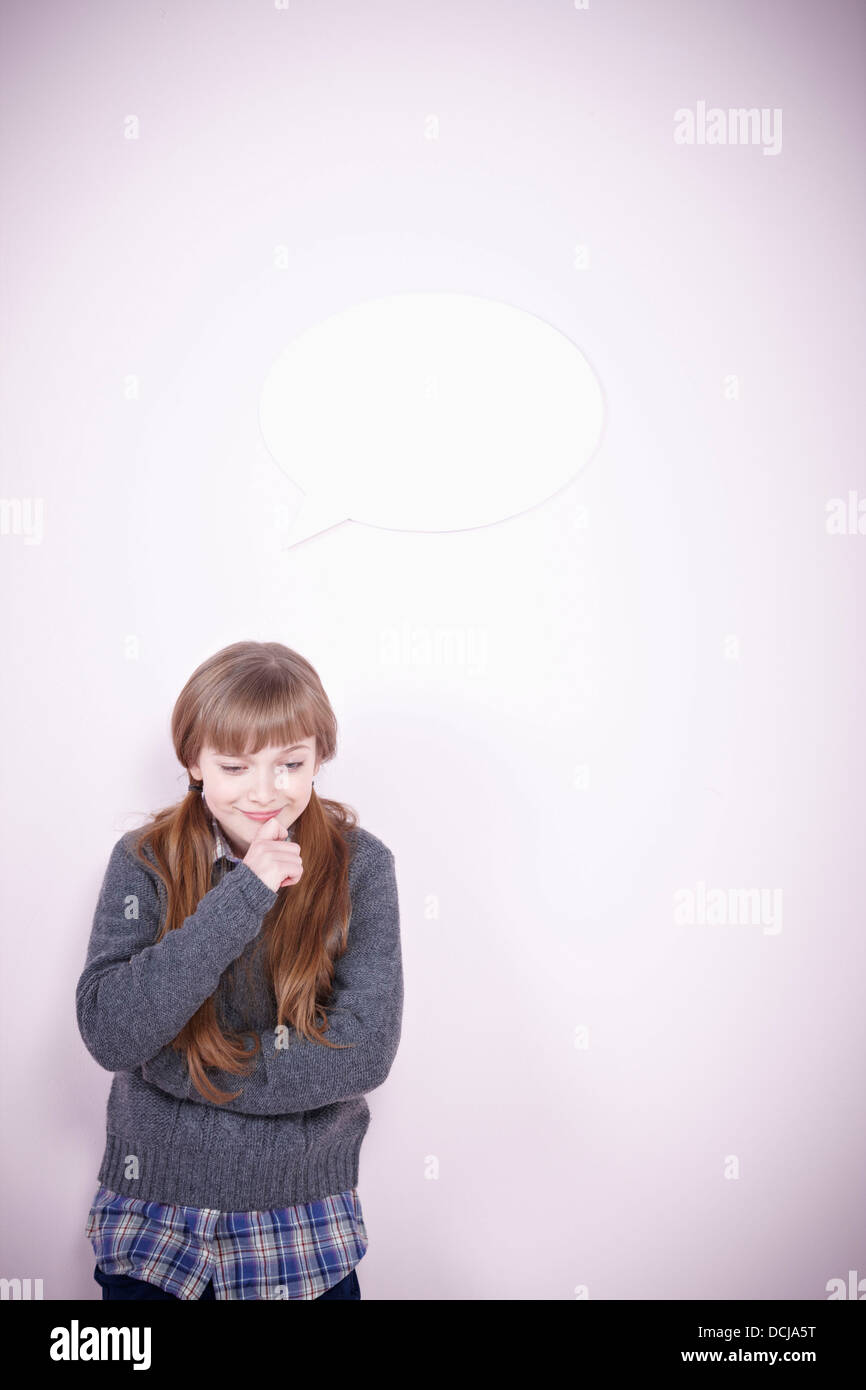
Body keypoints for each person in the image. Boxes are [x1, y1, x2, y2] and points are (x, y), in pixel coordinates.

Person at [76, 640, 403, 1300]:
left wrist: (179, 1061)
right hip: (154, 1217)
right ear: (194, 763)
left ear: (319, 760)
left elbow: (361, 1053)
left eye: (291, 764)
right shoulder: (142, 860)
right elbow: (112, 1033)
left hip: (305, 1216)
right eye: (234, 765)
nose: (264, 792)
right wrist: (246, 892)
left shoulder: (362, 867)